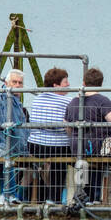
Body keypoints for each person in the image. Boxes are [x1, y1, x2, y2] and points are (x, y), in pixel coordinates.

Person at [64, 67, 111, 203]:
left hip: (77, 146)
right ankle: (105, 197)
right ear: (100, 83)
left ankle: (83, 194)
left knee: (83, 165)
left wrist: (73, 138)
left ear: (84, 82)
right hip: (97, 146)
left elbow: (66, 125)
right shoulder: (103, 101)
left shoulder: (73, 102)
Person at [27, 67, 71, 203]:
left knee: (47, 163)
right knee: (61, 165)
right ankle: (55, 198)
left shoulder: (37, 99)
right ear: (55, 85)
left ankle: (40, 196)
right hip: (57, 146)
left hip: (35, 145)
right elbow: (63, 128)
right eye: (65, 82)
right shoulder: (67, 102)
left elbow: (34, 121)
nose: (68, 84)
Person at [0, 69, 29, 204]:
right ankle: (8, 196)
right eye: (14, 82)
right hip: (1, 144)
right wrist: (25, 146)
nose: (17, 85)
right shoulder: (5, 99)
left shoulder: (14, 99)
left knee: (35, 164)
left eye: (20, 83)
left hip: (11, 144)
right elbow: (12, 127)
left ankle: (14, 195)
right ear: (6, 82)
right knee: (9, 161)